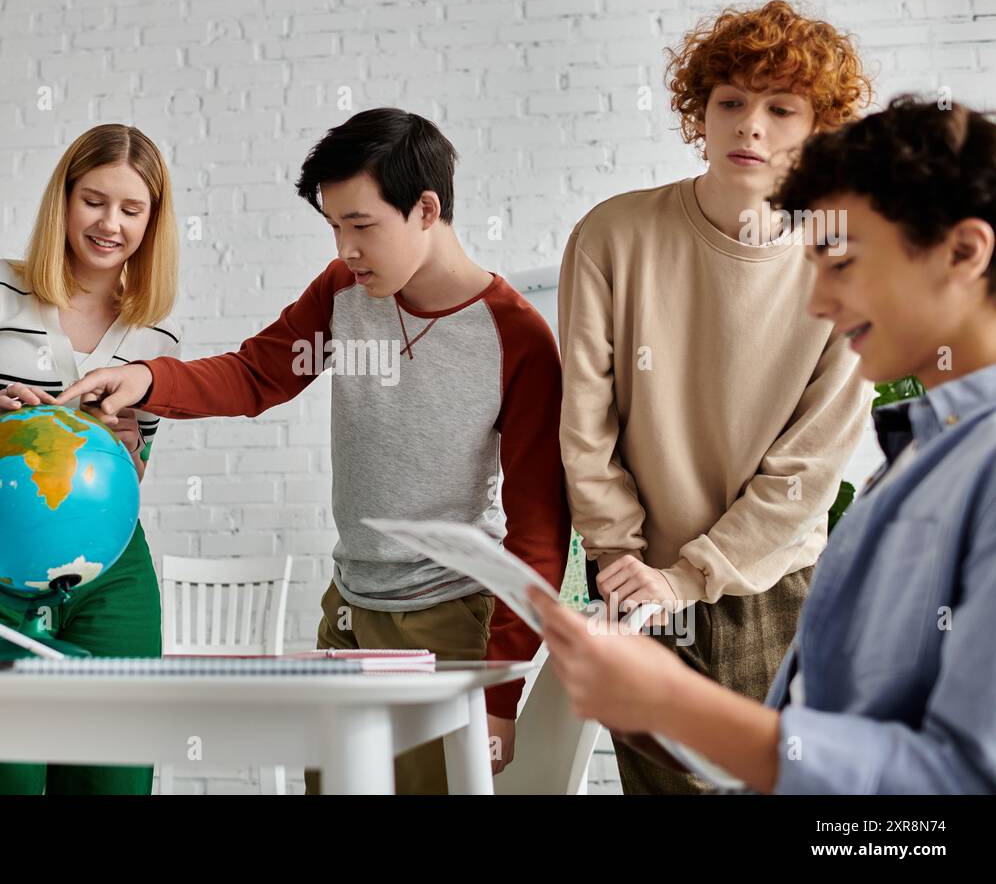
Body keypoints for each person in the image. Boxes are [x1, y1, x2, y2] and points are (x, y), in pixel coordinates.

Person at [59, 108, 568, 794]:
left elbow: (538, 532)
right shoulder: (343, 293)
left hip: (450, 624)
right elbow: (254, 373)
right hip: (349, 610)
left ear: (426, 209)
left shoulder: (519, 338)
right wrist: (147, 379)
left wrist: (500, 697)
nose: (346, 248)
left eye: (361, 226)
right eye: (334, 227)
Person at [533, 97, 996, 793]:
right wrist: (664, 716)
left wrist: (673, 703)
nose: (815, 302)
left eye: (841, 263)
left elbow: (948, 788)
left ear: (962, 252)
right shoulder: (921, 461)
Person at [0, 124, 180, 795]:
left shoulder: (155, 333)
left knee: (112, 777)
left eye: (132, 210)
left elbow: (131, 481)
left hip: (112, 576)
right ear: (64, 198)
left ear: (152, 222)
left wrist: (131, 446)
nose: (110, 224)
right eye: (94, 201)